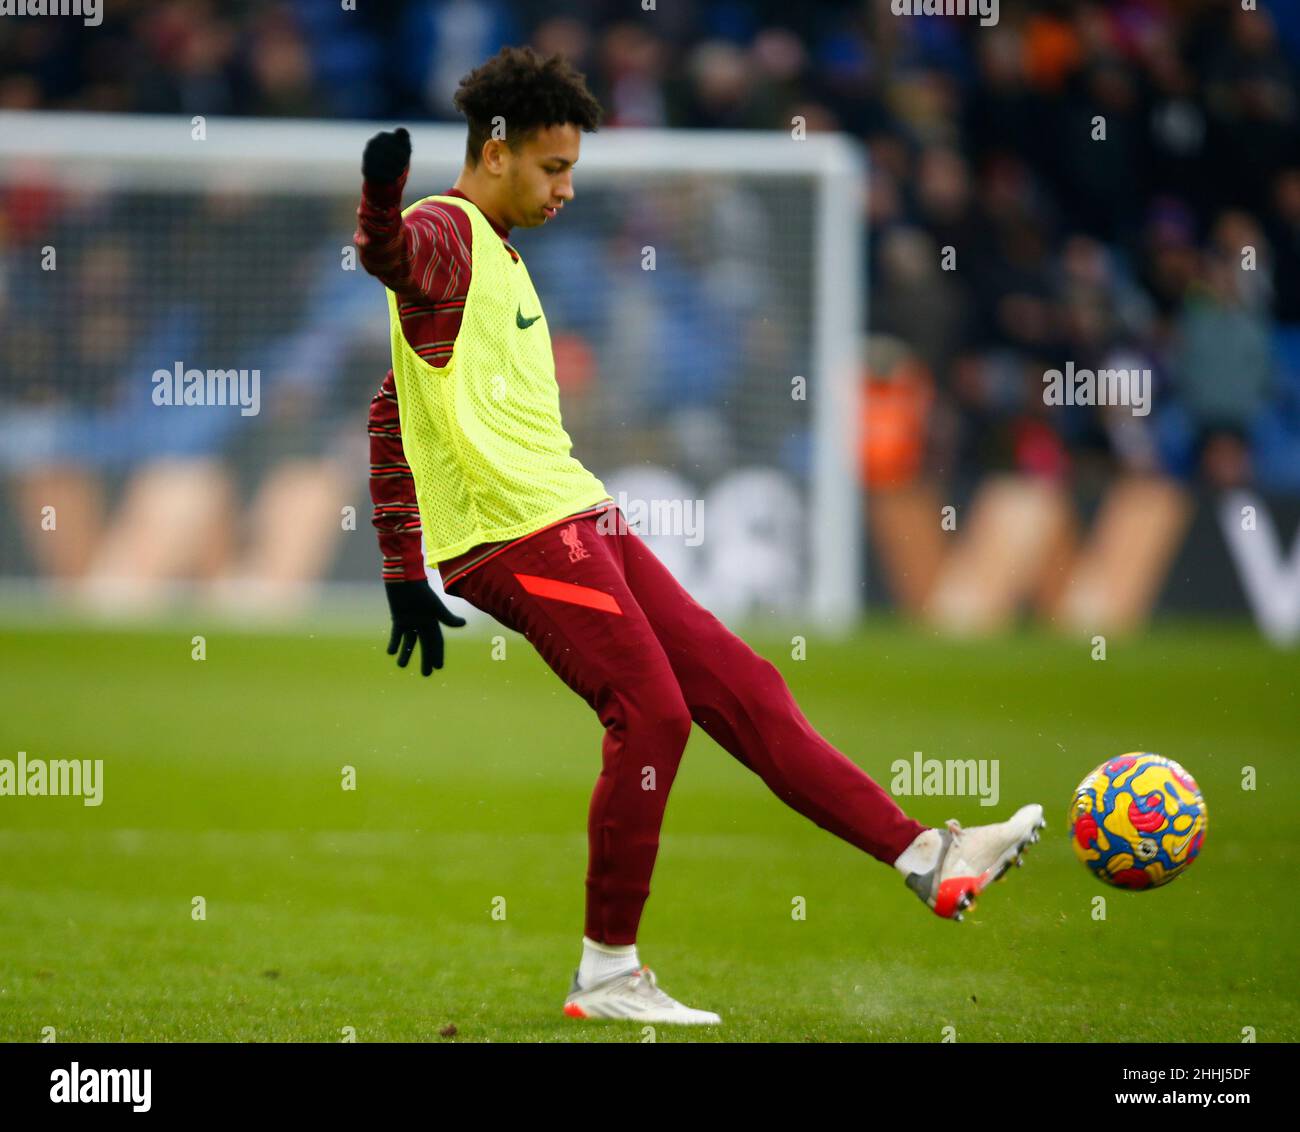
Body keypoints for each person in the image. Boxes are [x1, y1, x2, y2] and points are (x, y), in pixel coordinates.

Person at [354, 45, 1044, 1026]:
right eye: (552, 168)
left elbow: (393, 410)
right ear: (496, 152)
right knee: (654, 714)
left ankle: (925, 856)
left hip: (574, 516)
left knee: (742, 684)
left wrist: (397, 570)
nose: (567, 189)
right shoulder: (440, 231)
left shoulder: (494, 256)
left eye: (573, 170)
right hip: (515, 537)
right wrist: (380, 200)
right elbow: (387, 255)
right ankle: (605, 967)